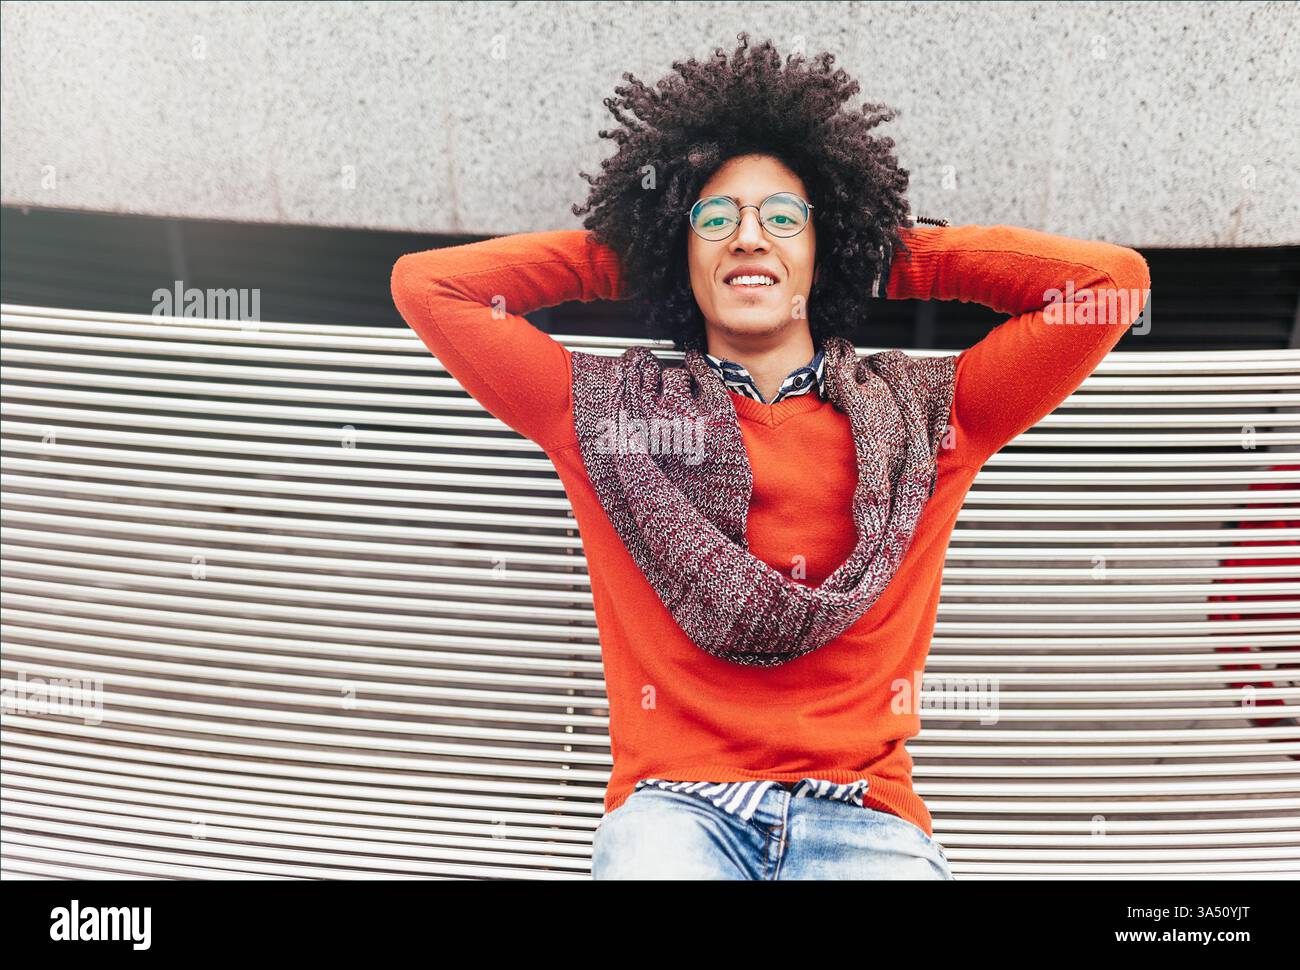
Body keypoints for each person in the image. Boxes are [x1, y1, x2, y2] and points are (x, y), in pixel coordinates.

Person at [390, 32, 1150, 880]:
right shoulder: (604, 413)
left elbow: (1109, 285)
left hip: (862, 817)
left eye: (783, 219)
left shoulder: (928, 415)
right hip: (676, 812)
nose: (749, 237)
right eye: (715, 219)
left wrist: (877, 258)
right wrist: (653, 256)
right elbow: (430, 287)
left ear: (825, 246)